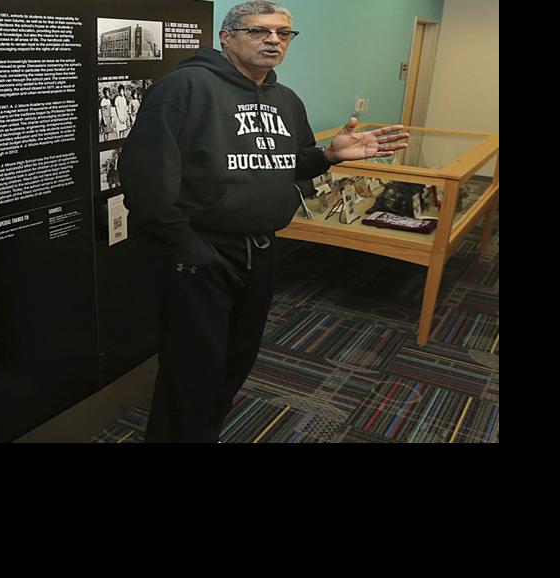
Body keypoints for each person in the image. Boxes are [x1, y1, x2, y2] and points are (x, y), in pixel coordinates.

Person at [119, 1, 406, 442]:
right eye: (258, 31)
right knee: (193, 367)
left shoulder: (285, 99)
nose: (273, 40)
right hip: (200, 251)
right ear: (226, 37)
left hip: (262, 250)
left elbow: (289, 163)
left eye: (283, 33)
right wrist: (187, 244)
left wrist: (328, 156)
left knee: (237, 359)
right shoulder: (184, 88)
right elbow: (146, 177)